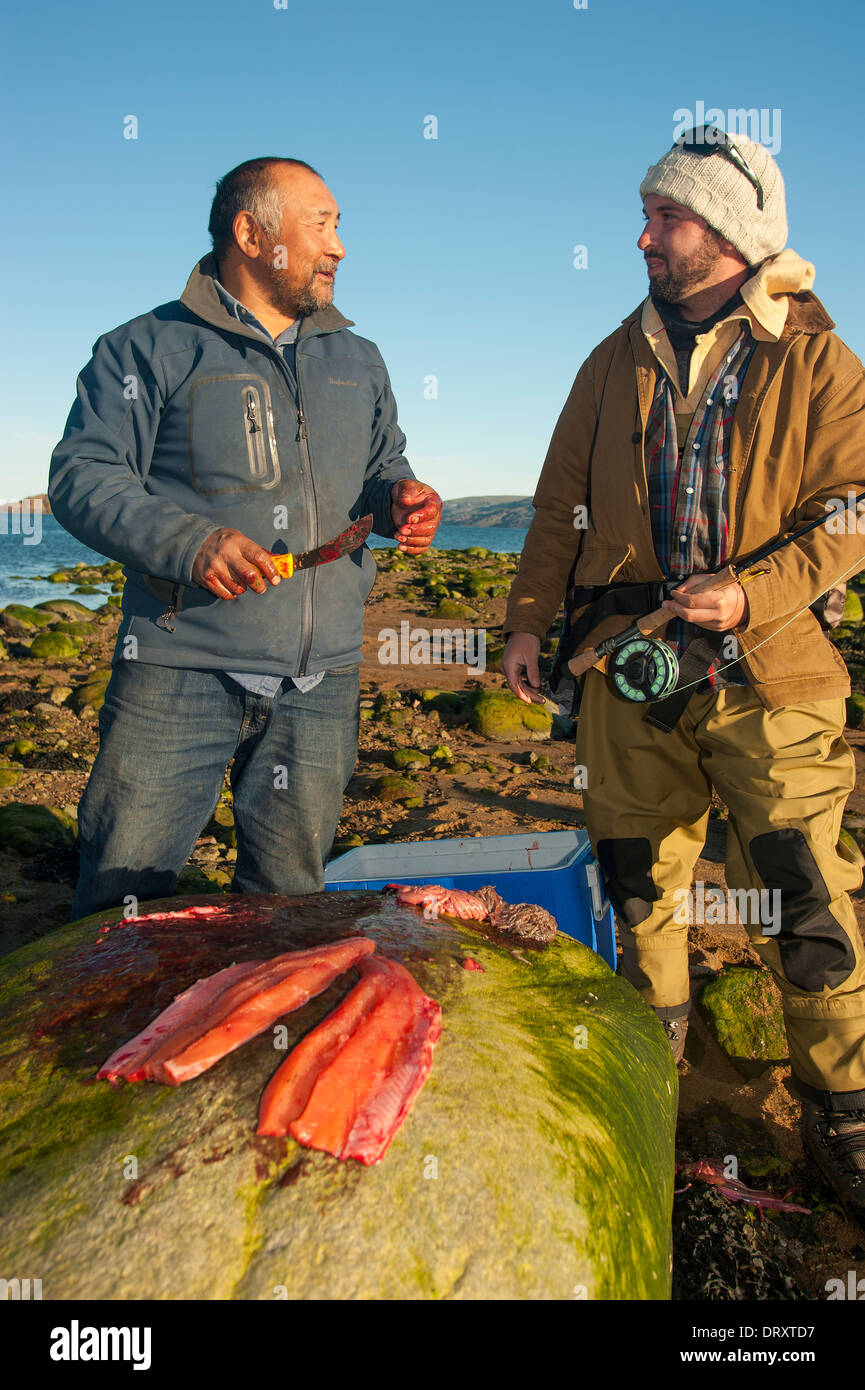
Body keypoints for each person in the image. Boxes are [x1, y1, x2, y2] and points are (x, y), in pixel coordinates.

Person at [502, 126, 865, 1220]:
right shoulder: (610, 359)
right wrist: (526, 623)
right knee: (636, 889)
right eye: (650, 214)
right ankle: (649, 1094)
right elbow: (557, 505)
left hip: (767, 676)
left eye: (669, 217)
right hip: (626, 674)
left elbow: (853, 513)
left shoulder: (817, 358)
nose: (646, 236)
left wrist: (753, 593)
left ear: (733, 233)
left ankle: (842, 1111)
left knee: (806, 900)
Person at [49, 156, 441, 919]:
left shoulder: (357, 358)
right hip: (179, 664)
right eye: (321, 224)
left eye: (338, 227)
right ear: (251, 234)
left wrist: (400, 500)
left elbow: (379, 468)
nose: (339, 247)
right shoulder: (144, 348)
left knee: (287, 902)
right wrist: (189, 543)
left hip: (320, 678)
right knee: (122, 893)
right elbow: (83, 476)